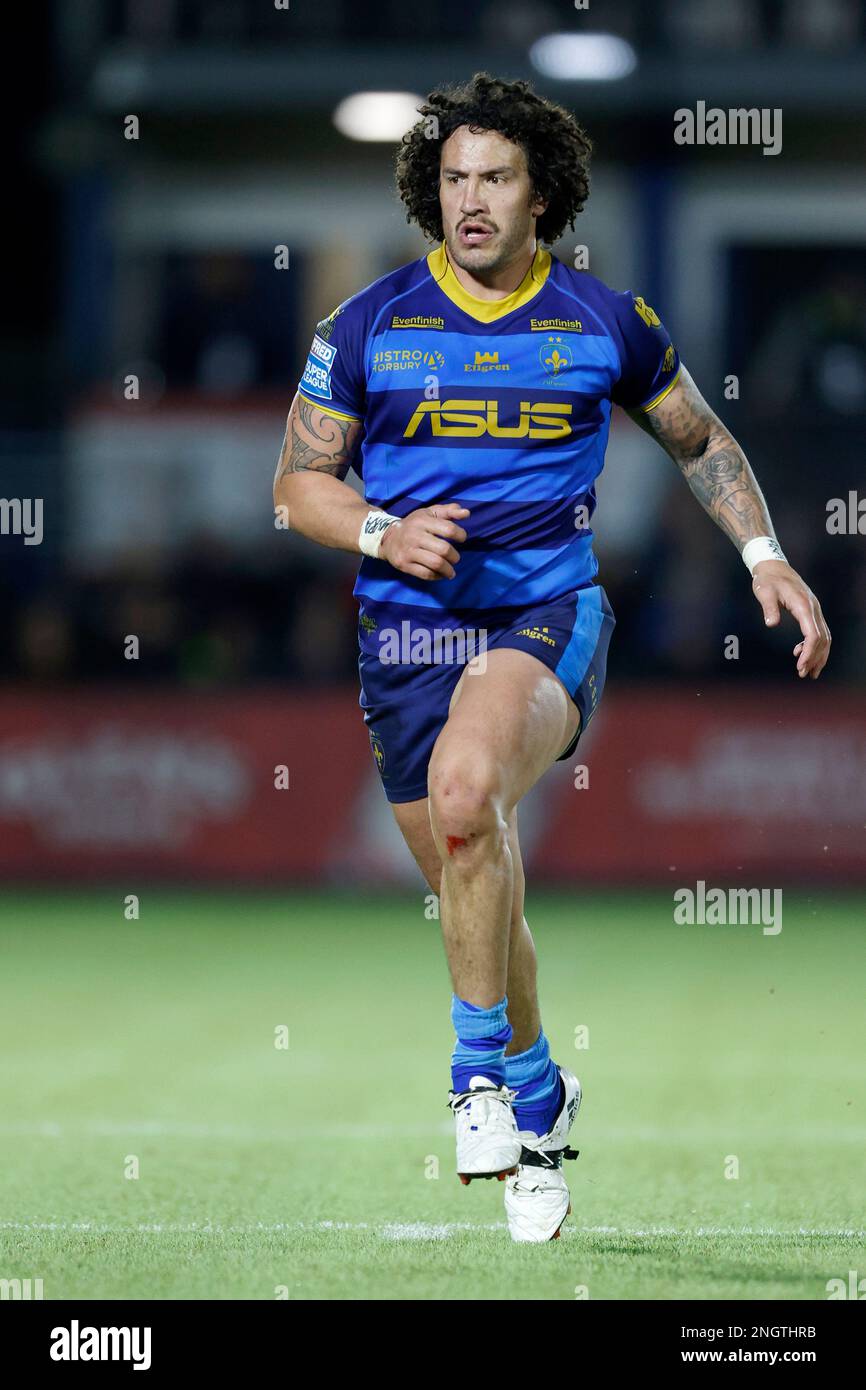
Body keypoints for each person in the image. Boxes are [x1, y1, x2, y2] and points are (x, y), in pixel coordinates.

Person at [273, 73, 831, 1242]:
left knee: (470, 798)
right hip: (405, 640)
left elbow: (698, 437)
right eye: (453, 177)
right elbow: (297, 486)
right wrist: (380, 529)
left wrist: (763, 554)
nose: (470, 199)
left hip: (543, 620)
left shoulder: (601, 321)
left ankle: (476, 1085)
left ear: (544, 194)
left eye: (496, 176)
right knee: (472, 881)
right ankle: (538, 1099)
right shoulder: (366, 325)